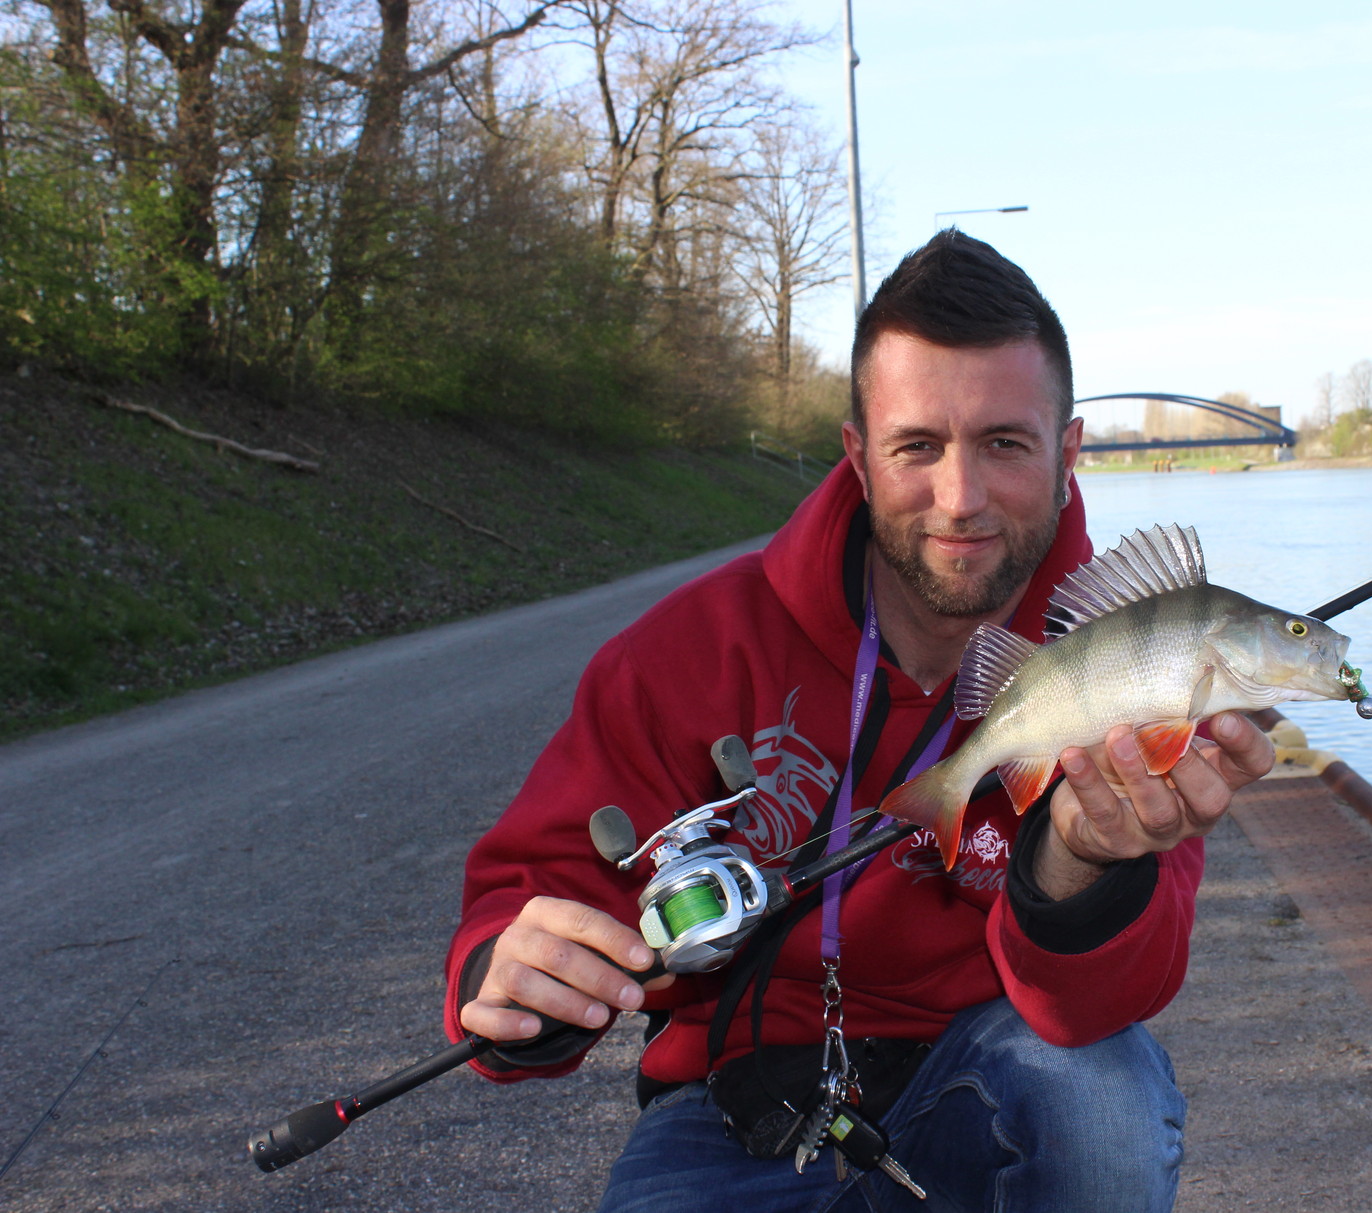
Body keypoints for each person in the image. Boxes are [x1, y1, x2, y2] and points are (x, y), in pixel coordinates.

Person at [445, 230, 1276, 1212]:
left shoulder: (1130, 668)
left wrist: (1083, 860)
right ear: (856, 455)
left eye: (1003, 443)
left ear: (1067, 453)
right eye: (916, 446)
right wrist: (513, 971)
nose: (959, 500)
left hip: (988, 1075)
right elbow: (534, 888)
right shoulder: (690, 648)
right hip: (733, 1101)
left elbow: (1091, 1008)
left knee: (1099, 1105)